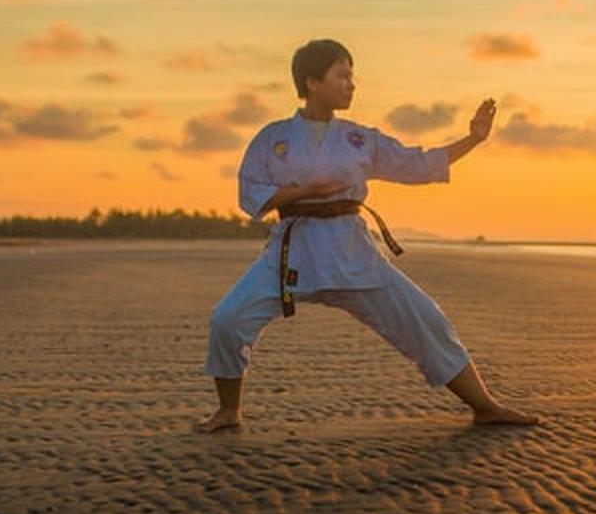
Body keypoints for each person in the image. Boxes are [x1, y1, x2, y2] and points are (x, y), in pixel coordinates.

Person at [195, 38, 538, 432]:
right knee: (228, 318)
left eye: (352, 76)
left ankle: (485, 405)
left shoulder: (360, 139)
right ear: (311, 82)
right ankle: (228, 410)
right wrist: (302, 192)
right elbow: (249, 189)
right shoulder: (273, 138)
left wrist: (473, 139)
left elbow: (416, 164)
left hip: (352, 251)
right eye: (342, 75)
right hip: (293, 251)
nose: (352, 84)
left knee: (425, 319)